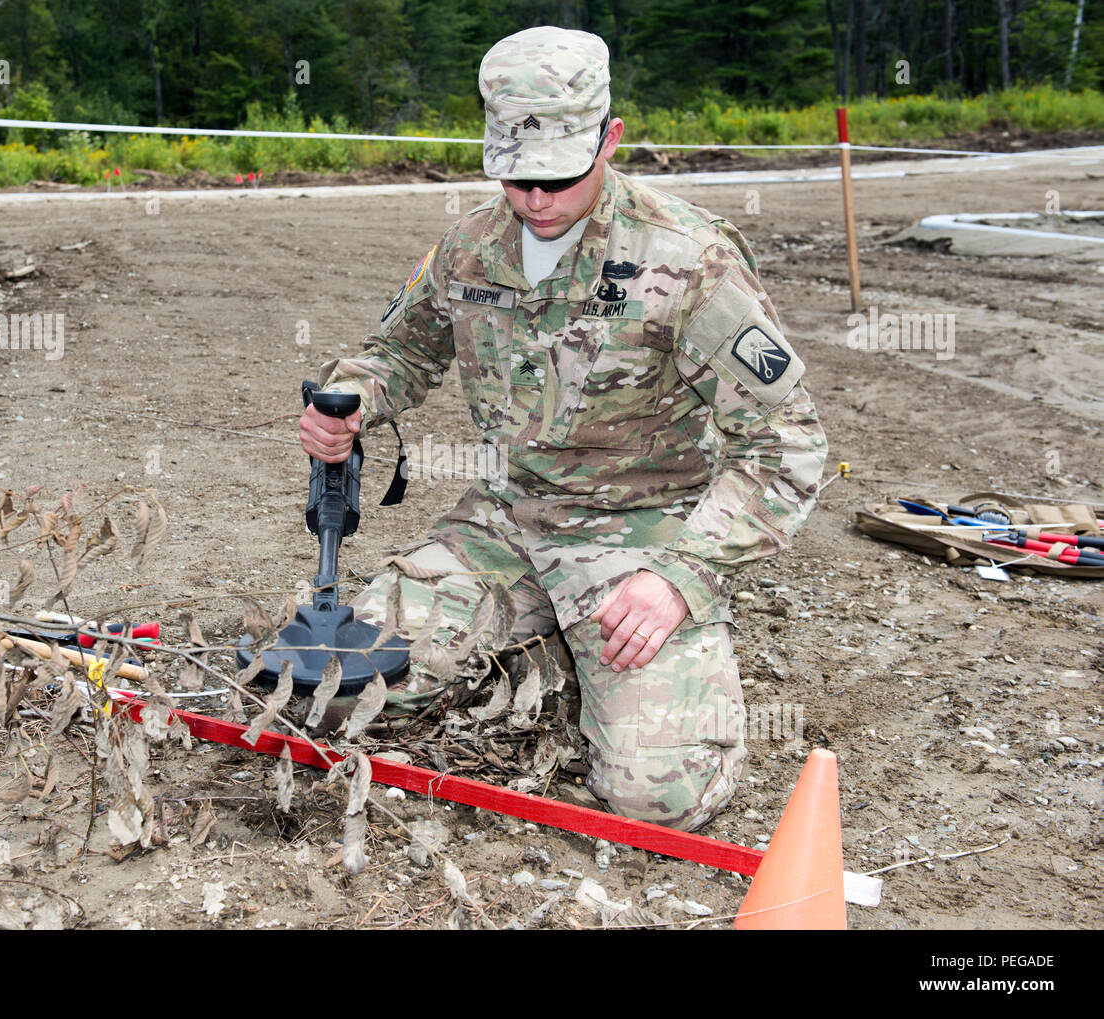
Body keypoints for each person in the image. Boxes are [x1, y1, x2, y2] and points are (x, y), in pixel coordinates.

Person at [298, 26, 827, 831]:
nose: (534, 200)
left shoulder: (689, 259)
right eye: (514, 177)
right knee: (334, 686)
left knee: (660, 798)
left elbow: (787, 446)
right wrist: (350, 400)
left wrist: (679, 578)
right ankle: (547, 635)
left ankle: (614, 646)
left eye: (557, 177)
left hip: (640, 534)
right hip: (507, 520)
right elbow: (399, 351)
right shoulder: (472, 246)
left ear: (610, 141)